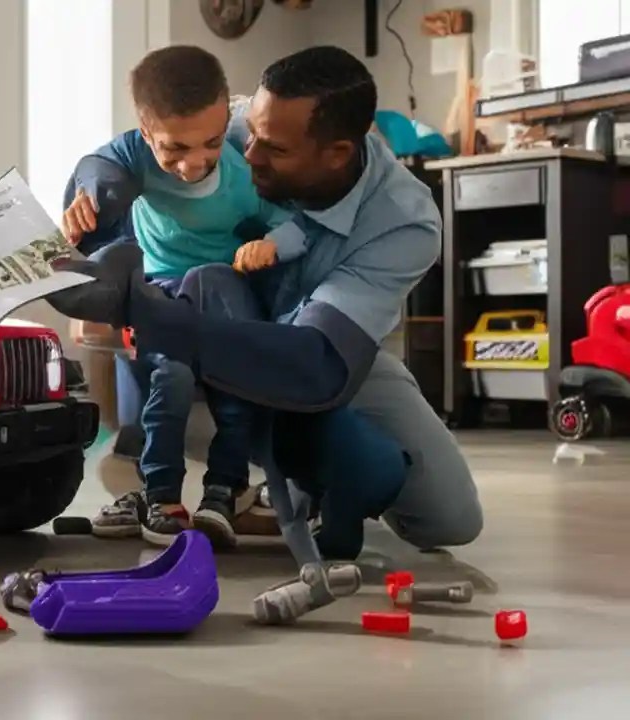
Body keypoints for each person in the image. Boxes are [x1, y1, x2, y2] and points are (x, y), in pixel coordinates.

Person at [51, 45, 483, 565]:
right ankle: (221, 478)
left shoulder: (403, 223)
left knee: (450, 518)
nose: (246, 154)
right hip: (217, 321)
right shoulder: (232, 126)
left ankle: (297, 481)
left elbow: (316, 365)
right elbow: (121, 155)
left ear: (336, 154)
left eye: (271, 148)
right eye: (248, 133)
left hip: (327, 352)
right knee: (177, 357)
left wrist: (144, 313)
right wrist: (97, 198)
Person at [60, 45, 306, 548]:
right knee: (167, 382)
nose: (194, 164)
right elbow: (95, 167)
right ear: (146, 132)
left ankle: (224, 490)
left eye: (210, 142)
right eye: (175, 148)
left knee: (236, 386)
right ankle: (160, 495)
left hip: (223, 290)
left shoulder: (240, 172)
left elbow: (296, 225)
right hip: (163, 292)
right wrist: (83, 203)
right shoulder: (134, 154)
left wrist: (272, 244)